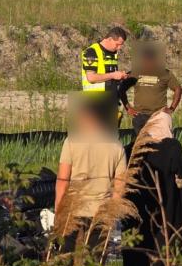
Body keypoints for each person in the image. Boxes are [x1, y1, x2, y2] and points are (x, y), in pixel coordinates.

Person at [121, 111, 182, 266]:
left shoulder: (127, 151)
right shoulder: (171, 147)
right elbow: (180, 177)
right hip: (166, 214)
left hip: (136, 214)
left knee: (137, 254)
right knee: (164, 252)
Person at [55, 98, 128, 251]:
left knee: (66, 261)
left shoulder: (71, 142)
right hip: (100, 213)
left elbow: (62, 182)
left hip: (72, 211)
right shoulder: (116, 146)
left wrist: (58, 212)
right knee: (94, 264)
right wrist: (111, 215)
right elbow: (119, 187)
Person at [119, 43, 182, 138]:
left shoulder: (164, 73)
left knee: (160, 143)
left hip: (159, 115)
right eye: (145, 60)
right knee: (142, 144)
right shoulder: (135, 72)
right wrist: (128, 108)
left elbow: (178, 89)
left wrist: (171, 109)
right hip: (140, 116)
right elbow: (121, 89)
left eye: (150, 60)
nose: (147, 63)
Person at [80, 26, 130, 124]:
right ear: (110, 39)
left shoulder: (112, 53)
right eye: (117, 44)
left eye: (121, 45)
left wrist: (120, 77)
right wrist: (113, 75)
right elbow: (91, 78)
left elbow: (108, 76)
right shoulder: (92, 52)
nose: (119, 48)